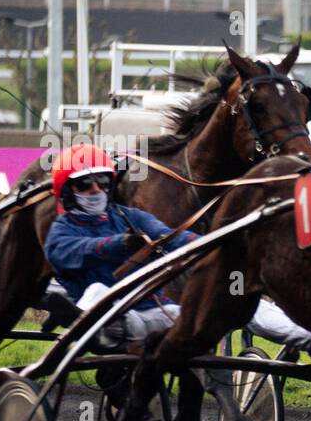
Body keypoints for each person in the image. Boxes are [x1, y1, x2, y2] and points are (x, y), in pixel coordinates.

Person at [44, 143, 197, 348]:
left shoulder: (131, 217)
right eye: (84, 184)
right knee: (97, 290)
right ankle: (81, 328)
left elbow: (171, 237)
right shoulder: (60, 233)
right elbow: (83, 249)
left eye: (103, 181)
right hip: (114, 318)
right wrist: (121, 243)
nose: (96, 190)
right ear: (68, 191)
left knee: (199, 311)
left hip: (155, 312)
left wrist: (215, 241)